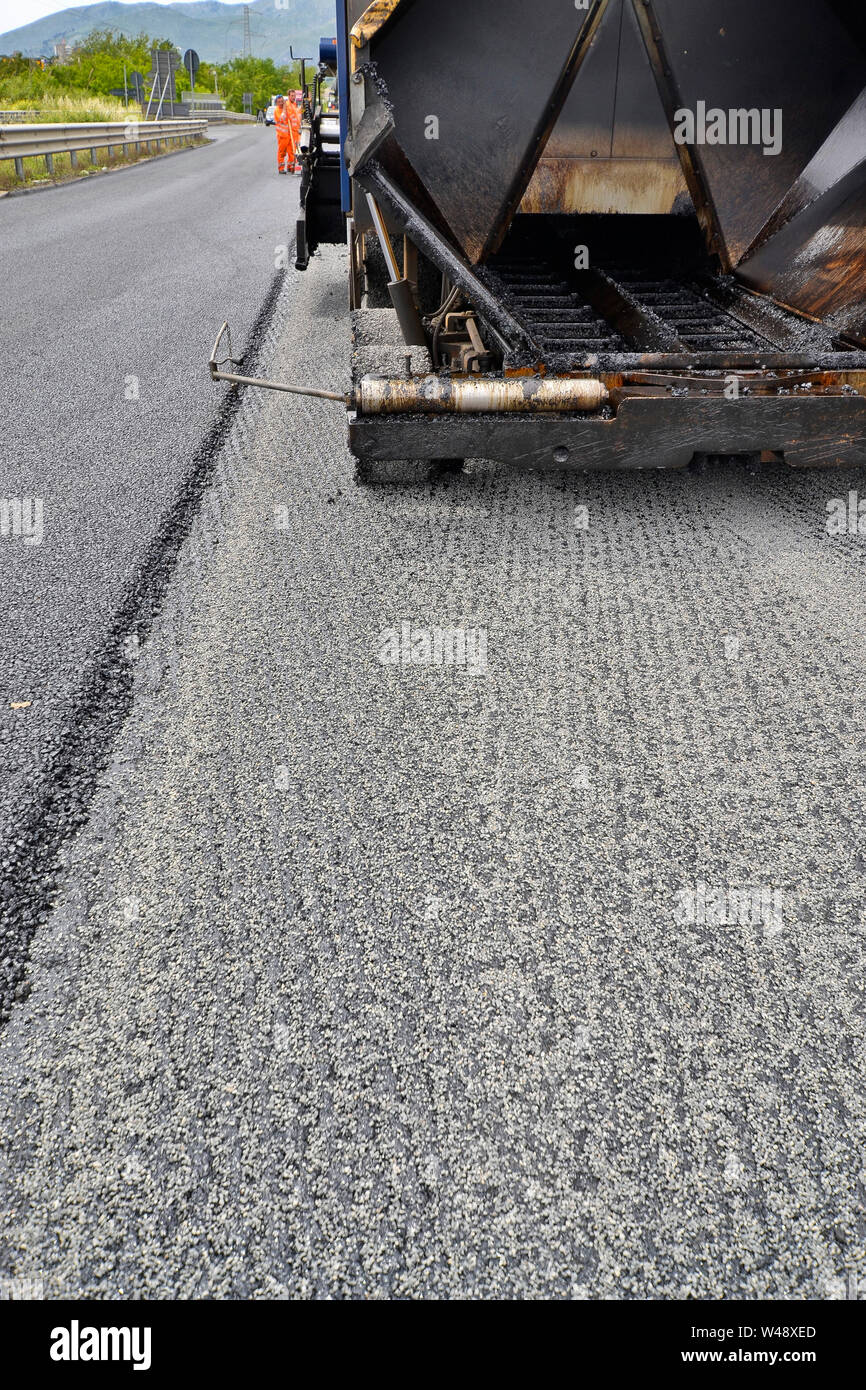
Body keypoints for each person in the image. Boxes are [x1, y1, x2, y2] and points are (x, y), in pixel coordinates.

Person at [274, 95, 291, 175]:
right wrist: (284, 109)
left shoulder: (286, 109)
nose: (281, 103)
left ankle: (290, 167)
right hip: (282, 135)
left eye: (282, 101)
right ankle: (281, 168)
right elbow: (282, 118)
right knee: (282, 153)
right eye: (279, 102)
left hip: (288, 134)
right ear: (276, 103)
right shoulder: (277, 110)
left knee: (290, 152)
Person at [286, 91, 302, 173]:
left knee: (295, 148)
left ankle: (291, 166)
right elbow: (289, 117)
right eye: (292, 95)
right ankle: (292, 166)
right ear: (288, 96)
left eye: (294, 95)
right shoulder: (287, 105)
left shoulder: (294, 105)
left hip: (295, 130)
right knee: (291, 149)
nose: (293, 97)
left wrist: (302, 108)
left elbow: (297, 114)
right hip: (290, 131)